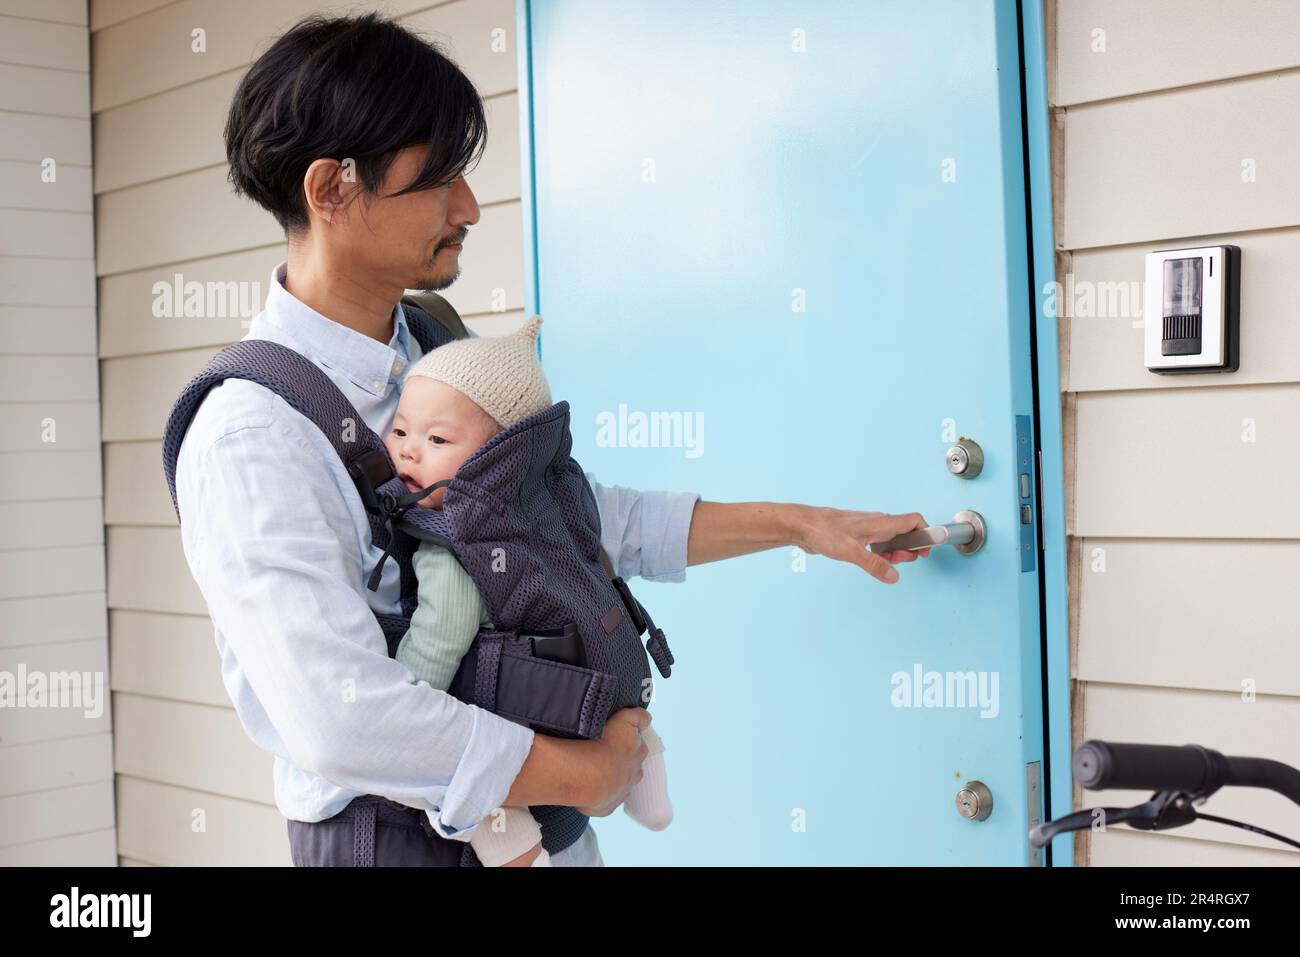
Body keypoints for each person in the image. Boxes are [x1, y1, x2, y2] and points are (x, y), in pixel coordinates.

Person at [174, 12, 930, 866]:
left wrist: (802, 525)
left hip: (550, 830)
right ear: (331, 190)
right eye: (437, 178)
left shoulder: (433, 346)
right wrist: (587, 774)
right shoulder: (251, 433)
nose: (469, 206)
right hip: (402, 845)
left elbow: (572, 520)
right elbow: (338, 715)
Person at [388, 315, 674, 867]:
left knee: (481, 807)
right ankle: (653, 792)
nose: (408, 452)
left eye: (437, 438)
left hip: (526, 719)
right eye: (400, 430)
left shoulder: (453, 543)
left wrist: (402, 699)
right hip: (609, 688)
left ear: (499, 453)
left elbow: (440, 637)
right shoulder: (554, 503)